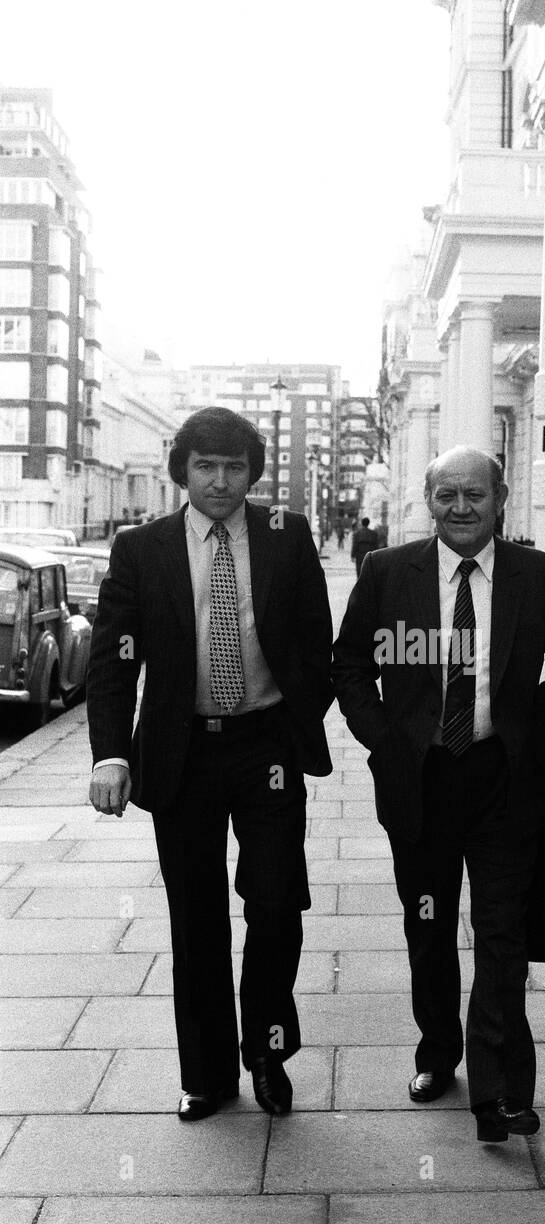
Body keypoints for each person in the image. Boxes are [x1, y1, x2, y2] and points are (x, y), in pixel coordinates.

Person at [331, 445, 545, 1144]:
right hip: (418, 782)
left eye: (473, 495)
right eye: (447, 495)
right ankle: (437, 1053)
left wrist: (541, 737)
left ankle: (502, 1093)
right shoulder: (388, 572)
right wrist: (383, 740)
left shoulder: (538, 576)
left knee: (501, 935)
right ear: (430, 501)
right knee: (428, 929)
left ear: (500, 498)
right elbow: (349, 664)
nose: (460, 507)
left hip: (503, 784)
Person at [86, 407, 333, 1122]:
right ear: (183, 470)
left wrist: (295, 723)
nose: (220, 481)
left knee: (278, 902)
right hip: (182, 752)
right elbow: (111, 661)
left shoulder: (287, 538)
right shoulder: (142, 549)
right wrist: (110, 753)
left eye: (233, 467)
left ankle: (268, 1049)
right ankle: (207, 1074)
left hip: (266, 748)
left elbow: (316, 644)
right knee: (195, 918)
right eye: (205, 466)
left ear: (251, 472)